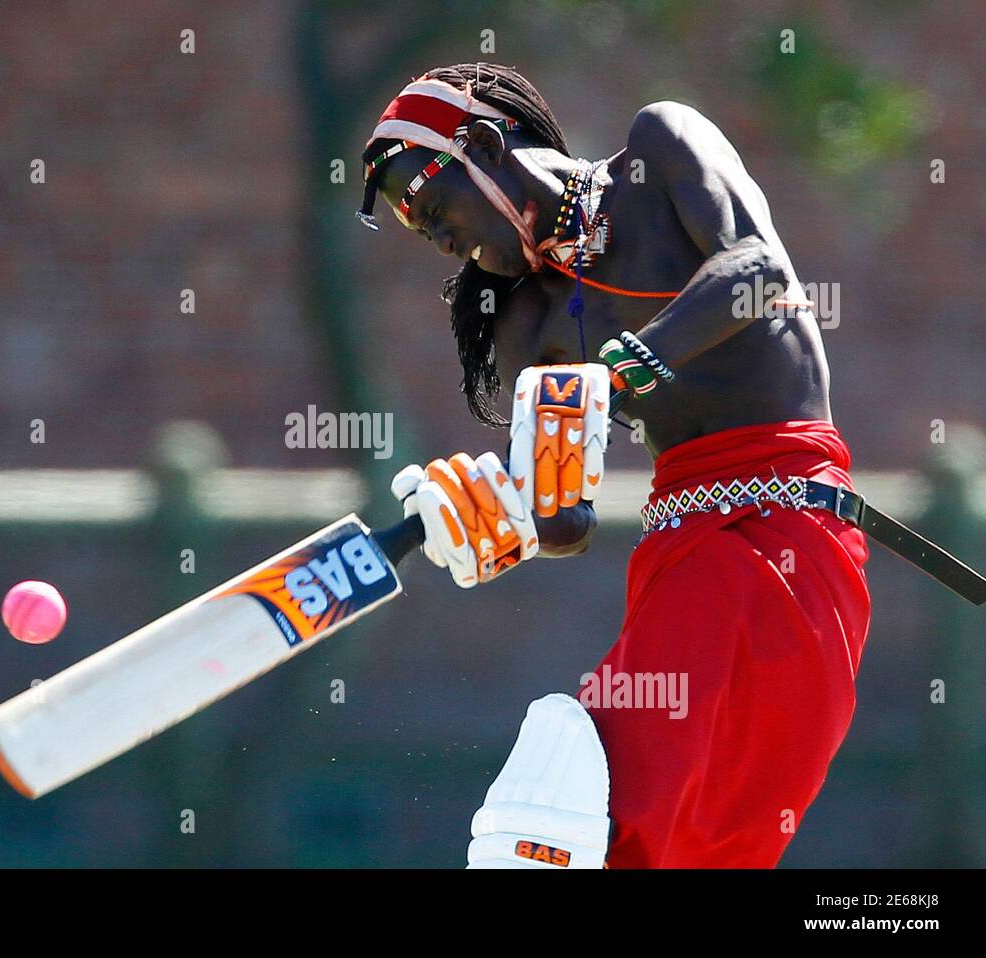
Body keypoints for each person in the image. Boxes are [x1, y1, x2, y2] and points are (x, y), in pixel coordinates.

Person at [357, 63, 871, 867]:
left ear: (486, 145)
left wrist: (623, 369)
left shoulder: (658, 146)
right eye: (419, 231)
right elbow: (563, 519)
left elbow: (758, 272)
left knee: (655, 831)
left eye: (430, 206)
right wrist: (486, 517)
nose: (435, 237)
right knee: (567, 824)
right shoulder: (523, 319)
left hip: (793, 537)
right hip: (680, 559)